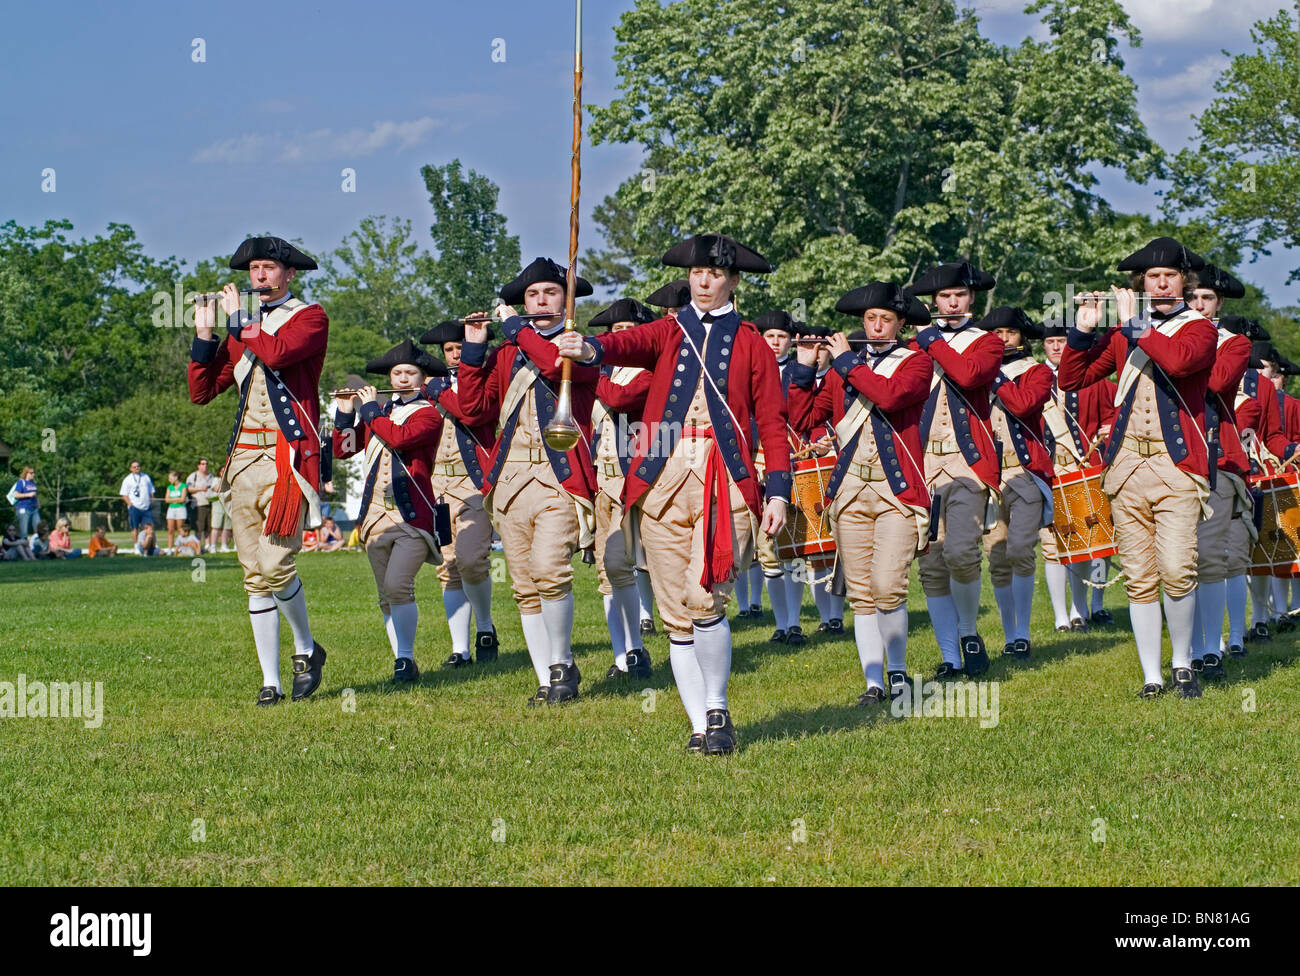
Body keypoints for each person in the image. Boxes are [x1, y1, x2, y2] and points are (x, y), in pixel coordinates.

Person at [556, 232, 792, 755]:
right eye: (696, 273)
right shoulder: (668, 331)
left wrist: (777, 491)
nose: (703, 282)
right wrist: (589, 346)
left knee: (706, 600)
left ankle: (718, 708)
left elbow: (773, 423)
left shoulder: (752, 342)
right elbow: (625, 344)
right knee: (674, 615)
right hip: (661, 482)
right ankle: (696, 725)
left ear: (732, 281)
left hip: (722, 480)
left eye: (713, 274)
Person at [1060, 237, 1217, 699]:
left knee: (1177, 568)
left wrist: (1135, 323)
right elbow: (1072, 379)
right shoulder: (1127, 332)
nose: (1162, 281)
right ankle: (1152, 675)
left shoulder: (1199, 328)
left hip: (1177, 466)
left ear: (1183, 281)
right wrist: (1082, 333)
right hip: (1127, 466)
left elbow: (1181, 361)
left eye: (1169, 274)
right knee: (1140, 575)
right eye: (1153, 276)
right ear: (1141, 283)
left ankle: (1183, 663)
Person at [188, 235, 329, 706]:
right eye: (254, 270)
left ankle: (307, 648)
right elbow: (203, 391)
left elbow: (277, 353)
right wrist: (206, 335)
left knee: (275, 563)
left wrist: (236, 322)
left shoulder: (310, 317)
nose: (260, 277)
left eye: (269, 268)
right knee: (253, 575)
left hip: (287, 460)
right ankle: (270, 680)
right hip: (243, 462)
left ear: (290, 274)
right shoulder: (242, 328)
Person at [456, 257, 599, 705]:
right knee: (523, 584)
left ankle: (562, 661)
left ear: (566, 300)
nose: (540, 300)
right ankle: (546, 676)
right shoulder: (506, 355)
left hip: (560, 476)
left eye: (550, 293)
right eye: (532, 295)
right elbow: (473, 410)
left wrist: (517, 328)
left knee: (549, 571)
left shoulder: (579, 346)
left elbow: (556, 365)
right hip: (510, 479)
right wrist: (475, 350)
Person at [787, 282, 932, 703]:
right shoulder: (841, 367)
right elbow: (804, 417)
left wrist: (846, 361)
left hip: (896, 492)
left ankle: (900, 672)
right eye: (870, 319)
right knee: (861, 592)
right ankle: (873, 681)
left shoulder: (916, 363)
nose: (877, 325)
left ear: (901, 323)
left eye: (886, 319)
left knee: (888, 586)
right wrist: (803, 367)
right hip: (849, 490)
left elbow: (888, 397)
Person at [909, 261, 1004, 678]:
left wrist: (931, 341)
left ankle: (968, 632)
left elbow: (967, 375)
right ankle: (949, 656)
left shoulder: (987, 342)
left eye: (959, 295)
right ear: (934, 301)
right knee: (929, 562)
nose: (952, 302)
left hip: (967, 461)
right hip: (922, 461)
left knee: (962, 552)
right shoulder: (914, 347)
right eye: (945, 296)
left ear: (971, 298)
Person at [333, 339, 448, 682]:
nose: (401, 378)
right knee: (386, 594)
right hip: (374, 517)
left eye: (409, 373)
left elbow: (398, 438)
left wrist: (368, 410)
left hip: (412, 515)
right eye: (396, 373)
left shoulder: (428, 413)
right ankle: (402, 662)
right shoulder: (376, 414)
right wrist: (344, 410)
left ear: (422, 378)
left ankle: (406, 657)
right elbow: (343, 449)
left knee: (399, 585)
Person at [419, 320, 499, 669]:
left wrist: (437, 391)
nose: (454, 355)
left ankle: (485, 627)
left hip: (472, 483)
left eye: (460, 348)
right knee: (447, 566)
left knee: (471, 559)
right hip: (437, 486)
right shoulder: (428, 388)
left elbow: (470, 410)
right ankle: (460, 648)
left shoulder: (484, 383)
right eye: (449, 350)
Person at [1183, 265, 1250, 680]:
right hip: (1169, 463)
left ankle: (1211, 648)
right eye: (1191, 297)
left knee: (1208, 556)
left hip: (1217, 460)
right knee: (1177, 560)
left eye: (1206, 298)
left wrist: (1184, 349)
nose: (1197, 305)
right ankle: (1185, 649)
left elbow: (1218, 381)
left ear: (1219, 303)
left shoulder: (1235, 343)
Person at [586, 298, 656, 680]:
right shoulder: (606, 370)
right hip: (604, 482)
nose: (622, 335)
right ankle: (625, 655)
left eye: (628, 328)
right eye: (615, 330)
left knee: (652, 567)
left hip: (637, 483)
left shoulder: (649, 370)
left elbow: (620, 399)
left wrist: (591, 370)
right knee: (607, 570)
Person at [980, 307, 1054, 661]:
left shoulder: (1036, 372)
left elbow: (1023, 405)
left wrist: (993, 374)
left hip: (1024, 474)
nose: (1002, 339)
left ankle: (1023, 632)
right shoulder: (978, 374)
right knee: (996, 557)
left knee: (1020, 550)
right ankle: (1011, 635)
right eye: (996, 333)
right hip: (990, 477)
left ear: (1022, 336)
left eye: (1009, 332)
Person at [1039, 321, 1116, 632]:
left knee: (1093, 539)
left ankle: (1083, 607)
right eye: (1051, 342)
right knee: (1052, 543)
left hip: (1087, 467)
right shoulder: (1035, 379)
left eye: (1062, 341)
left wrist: (1107, 429)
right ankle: (1061, 615)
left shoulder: (1094, 381)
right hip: (1049, 468)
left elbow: (1112, 413)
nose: (1057, 347)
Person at [751, 310, 804, 643]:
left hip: (794, 461)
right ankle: (781, 623)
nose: (775, 342)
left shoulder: (801, 373)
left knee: (795, 545)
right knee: (766, 546)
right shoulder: (749, 370)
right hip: (755, 463)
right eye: (769, 336)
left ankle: (795, 622)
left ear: (791, 341)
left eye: (781, 337)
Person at [119, 460, 155, 548]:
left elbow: (151, 491)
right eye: (134, 467)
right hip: (134, 507)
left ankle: (151, 545)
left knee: (150, 528)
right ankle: (136, 546)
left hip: (146, 507)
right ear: (131, 469)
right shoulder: (127, 479)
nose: (136, 468)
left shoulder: (146, 477)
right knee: (135, 528)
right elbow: (124, 494)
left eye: (138, 466)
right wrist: (130, 504)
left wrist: (151, 501)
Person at [187, 458, 218, 552]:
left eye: (206, 464)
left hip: (211, 503)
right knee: (199, 528)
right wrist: (200, 489)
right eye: (203, 464)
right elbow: (189, 489)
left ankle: (208, 546)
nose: (205, 465)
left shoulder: (211, 476)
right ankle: (198, 547)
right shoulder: (193, 476)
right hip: (198, 504)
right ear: (198, 465)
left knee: (209, 527)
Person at [10, 466, 39, 539]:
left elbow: (34, 495)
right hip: (24, 509)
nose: (33, 474)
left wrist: (37, 502)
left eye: (34, 473)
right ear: (26, 473)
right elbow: (15, 494)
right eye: (31, 473)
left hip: (34, 509)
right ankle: (23, 548)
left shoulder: (32, 483)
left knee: (39, 530)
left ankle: (37, 548)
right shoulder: (21, 482)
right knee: (24, 532)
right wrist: (28, 494)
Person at [164, 470, 189, 553]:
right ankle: (170, 549)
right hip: (171, 509)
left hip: (180, 509)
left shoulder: (183, 486)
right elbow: (167, 500)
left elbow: (183, 499)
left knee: (180, 529)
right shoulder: (169, 487)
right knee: (170, 530)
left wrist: (173, 500)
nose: (169, 480)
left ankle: (180, 548)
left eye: (170, 478)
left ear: (175, 477)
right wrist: (177, 499)